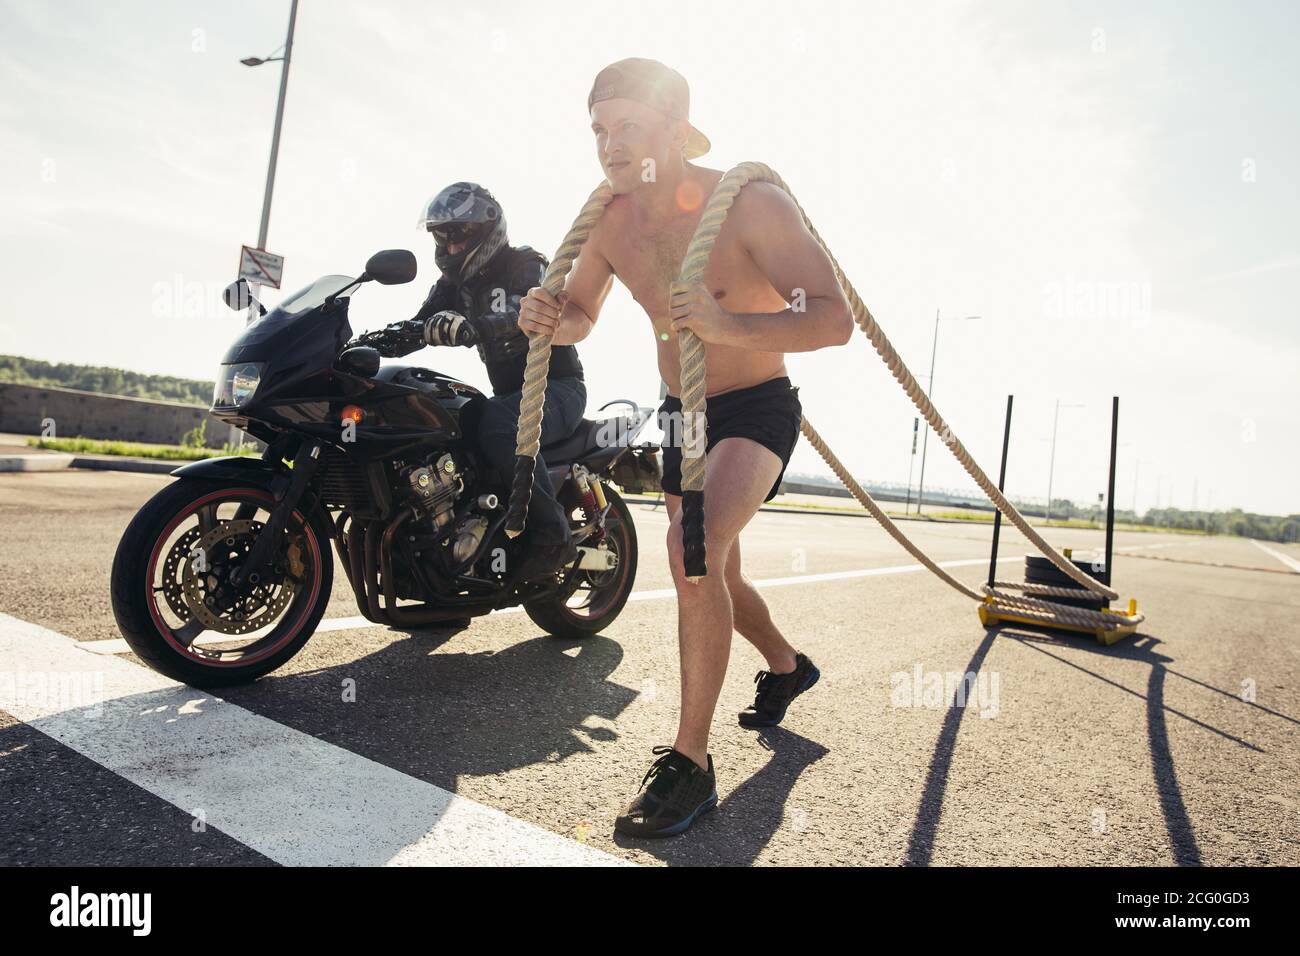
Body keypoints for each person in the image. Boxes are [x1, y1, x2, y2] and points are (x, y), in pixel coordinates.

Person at [519, 58, 854, 837]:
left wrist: (728, 323)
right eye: (599, 129)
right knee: (712, 567)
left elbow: (832, 318)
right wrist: (552, 318)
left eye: (629, 126)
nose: (610, 145)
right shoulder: (610, 219)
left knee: (690, 549)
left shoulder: (751, 205)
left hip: (755, 406)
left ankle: (690, 762)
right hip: (683, 414)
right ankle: (787, 667)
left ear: (676, 130)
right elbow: (582, 312)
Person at [366, 181, 586, 580]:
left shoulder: (525, 263)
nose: (450, 248)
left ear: (487, 229)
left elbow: (525, 309)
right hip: (509, 396)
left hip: (559, 388)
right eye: (442, 238)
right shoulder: (452, 286)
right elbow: (416, 327)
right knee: (454, 423)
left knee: (497, 423)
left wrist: (475, 327)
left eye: (458, 236)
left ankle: (553, 536)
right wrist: (368, 344)